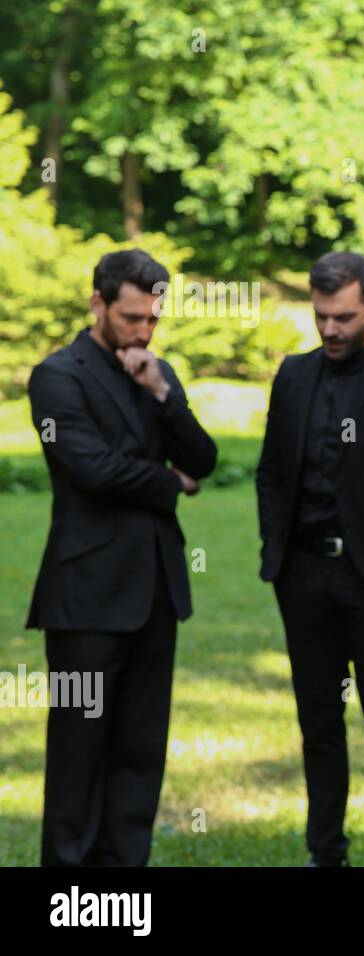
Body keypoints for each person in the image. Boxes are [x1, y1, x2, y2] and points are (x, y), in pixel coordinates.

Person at [28, 249, 218, 866]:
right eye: (132, 317)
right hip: (84, 596)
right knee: (80, 748)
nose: (143, 331)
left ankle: (123, 887)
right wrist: (169, 484)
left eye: (152, 319)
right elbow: (90, 468)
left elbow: (205, 459)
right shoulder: (58, 376)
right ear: (98, 305)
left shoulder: (156, 375)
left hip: (157, 590)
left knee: (140, 749)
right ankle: (67, 889)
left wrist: (163, 392)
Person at [255, 251, 364, 866]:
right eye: (321, 315)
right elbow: (272, 472)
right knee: (318, 721)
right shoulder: (293, 374)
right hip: (302, 574)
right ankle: (324, 852)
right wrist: (273, 549)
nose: (330, 329)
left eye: (344, 317)